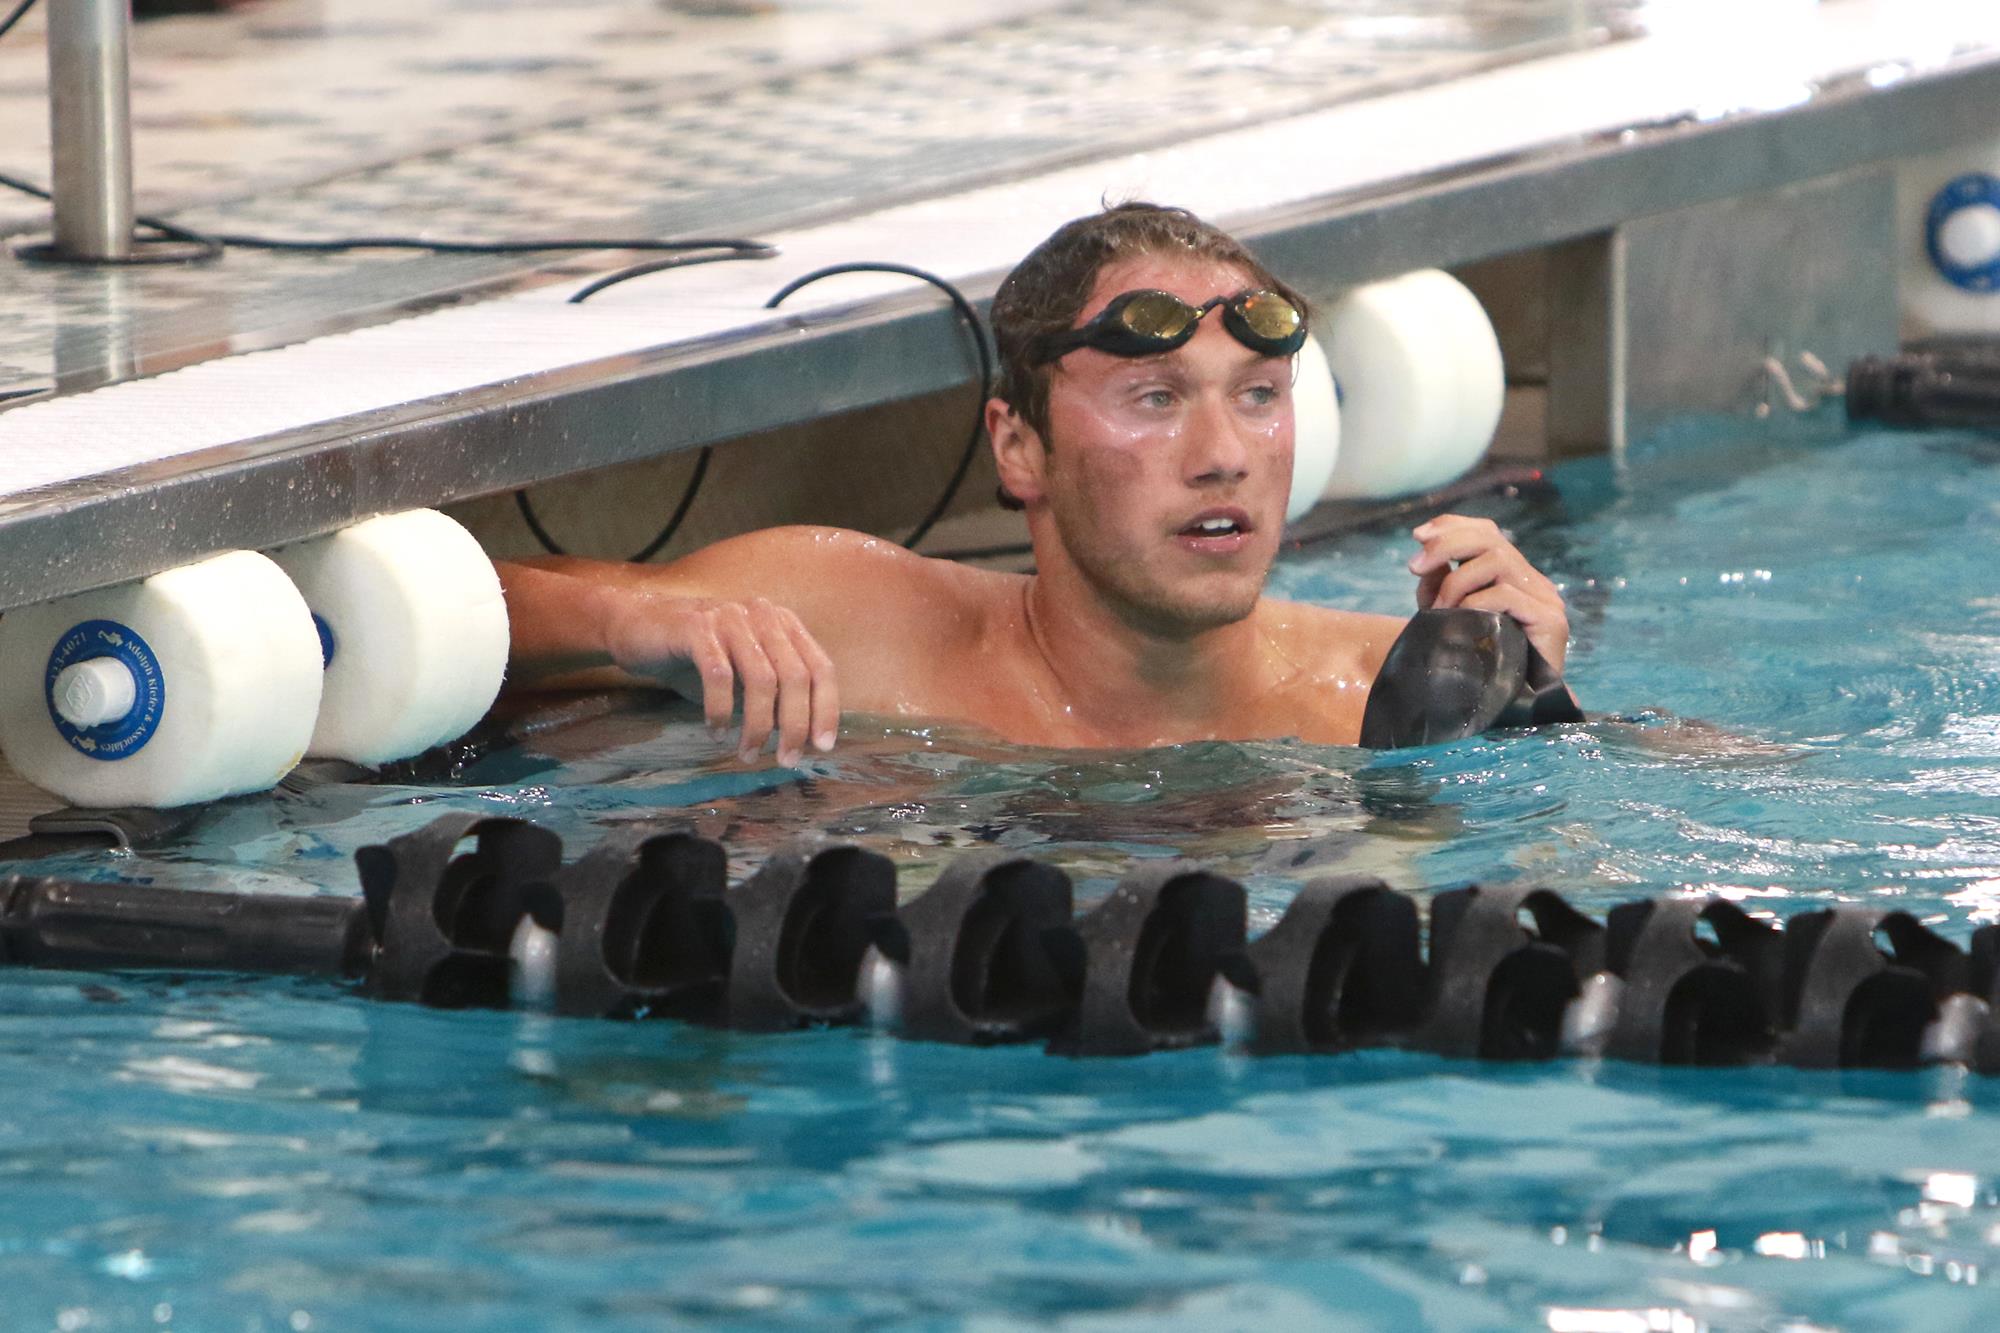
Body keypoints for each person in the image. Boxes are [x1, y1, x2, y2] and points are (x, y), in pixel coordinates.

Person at [497, 203, 1569, 765]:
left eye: (1256, 395)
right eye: (1156, 397)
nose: (1224, 455)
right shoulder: (853, 626)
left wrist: (1537, 707)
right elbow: (470, 617)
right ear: (1018, 448)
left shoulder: (1383, 695)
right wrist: (631, 625)